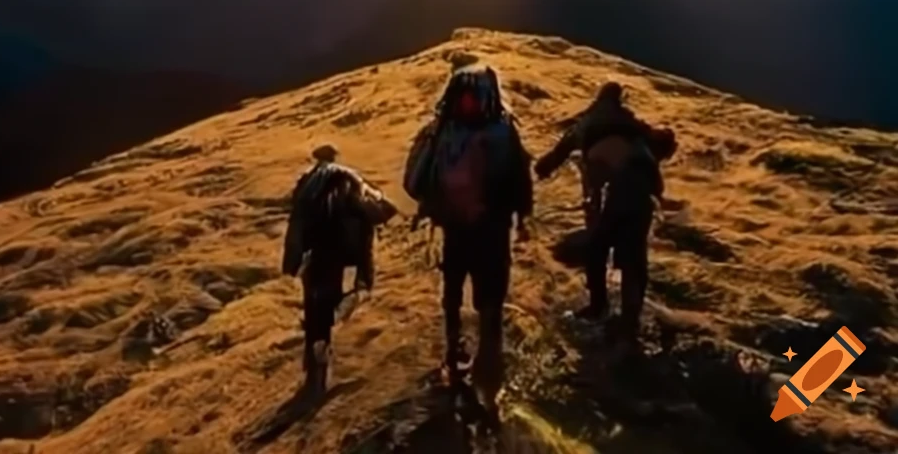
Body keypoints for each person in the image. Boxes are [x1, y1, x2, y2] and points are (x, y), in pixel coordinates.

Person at [403, 64, 533, 419]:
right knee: (490, 300)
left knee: (453, 290)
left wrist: (434, 208)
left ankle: (453, 353)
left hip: (455, 228)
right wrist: (522, 216)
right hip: (491, 230)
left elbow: (420, 181)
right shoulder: (503, 132)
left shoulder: (442, 130)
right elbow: (520, 179)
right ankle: (488, 376)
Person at [535, 81, 675, 338]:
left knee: (598, 245)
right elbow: (662, 142)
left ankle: (598, 308)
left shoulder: (585, 125)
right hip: (647, 183)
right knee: (633, 253)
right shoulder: (632, 124)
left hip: (625, 183)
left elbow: (550, 161)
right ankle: (630, 320)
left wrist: (540, 169)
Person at [282, 145, 397, 395]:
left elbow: (296, 220)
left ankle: (314, 367)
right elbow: (373, 210)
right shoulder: (347, 178)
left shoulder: (306, 184)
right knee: (330, 303)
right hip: (337, 253)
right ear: (335, 156)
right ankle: (322, 356)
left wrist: (292, 259)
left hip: (312, 254)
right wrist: (386, 208)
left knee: (313, 306)